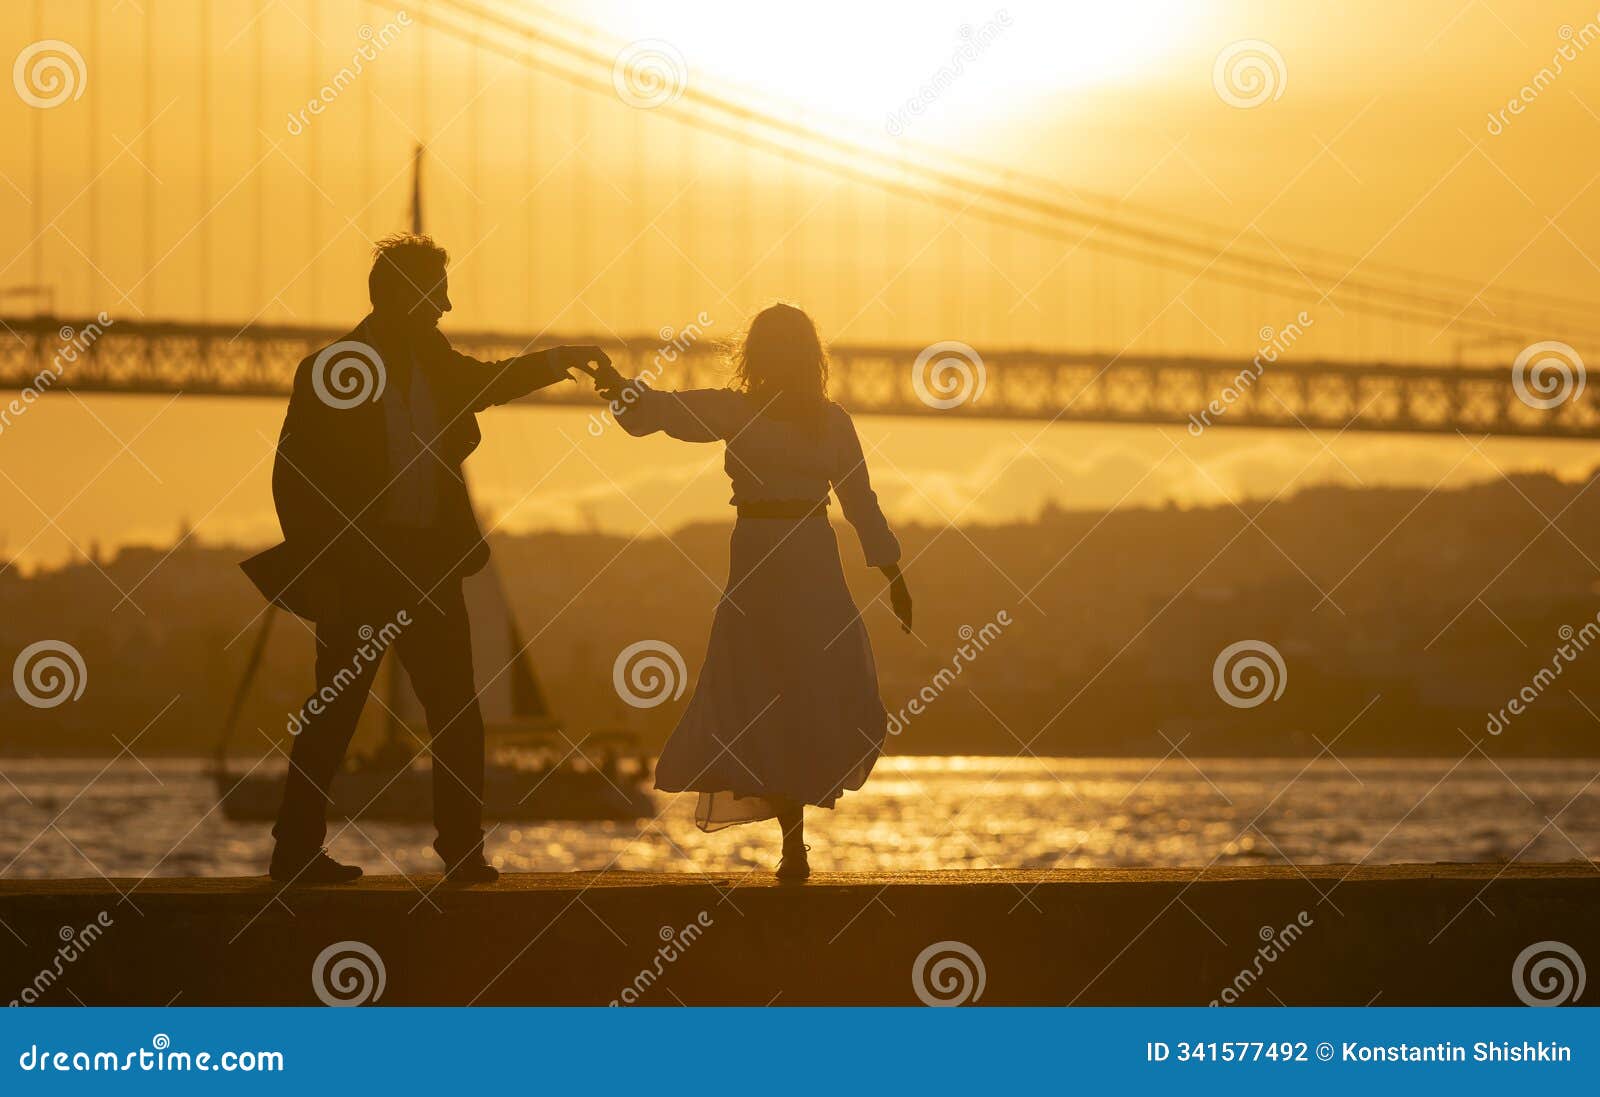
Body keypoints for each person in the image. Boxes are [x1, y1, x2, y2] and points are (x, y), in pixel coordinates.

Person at [241, 233, 610, 885]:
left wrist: (561, 359)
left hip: (429, 566)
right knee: (336, 709)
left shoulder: (434, 362)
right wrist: (319, 566)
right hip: (360, 567)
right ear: (408, 296)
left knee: (456, 711)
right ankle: (295, 850)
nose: (448, 303)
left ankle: (461, 849)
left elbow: (492, 380)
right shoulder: (330, 370)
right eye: (437, 290)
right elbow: (291, 477)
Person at [593, 303, 912, 882]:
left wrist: (891, 569)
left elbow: (861, 501)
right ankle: (795, 844)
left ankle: (794, 844)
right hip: (785, 564)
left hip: (789, 563)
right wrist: (618, 388)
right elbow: (665, 413)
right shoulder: (774, 414)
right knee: (783, 691)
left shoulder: (791, 417)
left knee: (784, 691)